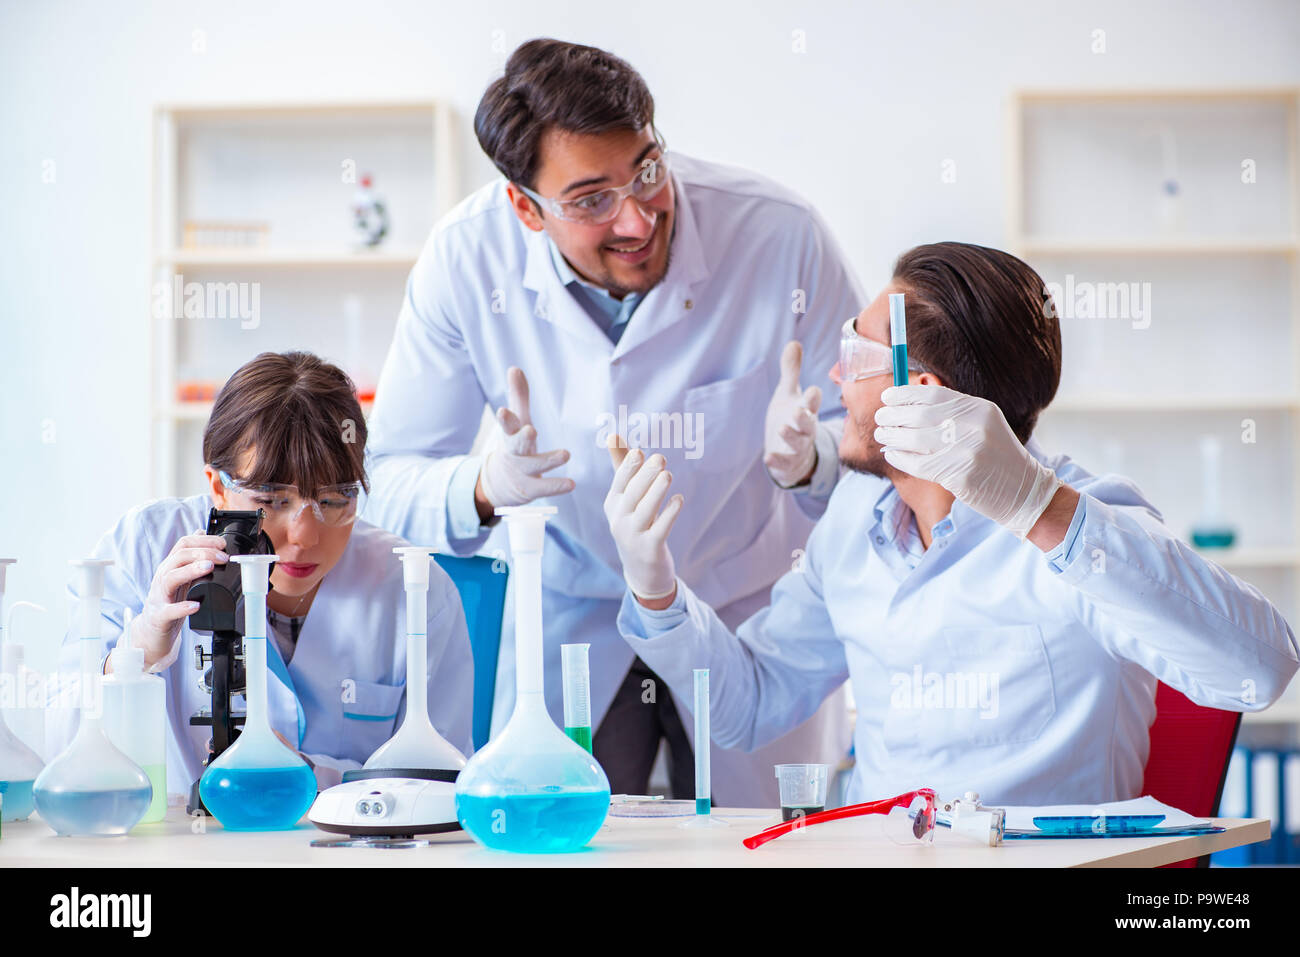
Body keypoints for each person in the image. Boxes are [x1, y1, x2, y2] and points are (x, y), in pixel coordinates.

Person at [604, 241, 1300, 806]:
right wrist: (657, 589)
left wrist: (1039, 507)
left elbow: (1259, 670)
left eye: (855, 355)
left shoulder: (1075, 524)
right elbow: (749, 703)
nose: (835, 378)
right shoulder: (853, 521)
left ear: (921, 392)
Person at [362, 38, 861, 806]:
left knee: (767, 848)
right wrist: (484, 487)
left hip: (744, 616)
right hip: (569, 618)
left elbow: (878, 472)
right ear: (524, 207)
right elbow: (387, 480)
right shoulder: (464, 262)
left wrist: (818, 461)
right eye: (591, 198)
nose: (637, 218)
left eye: (648, 171)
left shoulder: (781, 235)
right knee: (558, 841)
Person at [49, 352, 474, 797]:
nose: (305, 535)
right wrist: (140, 649)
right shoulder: (143, 547)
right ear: (217, 486)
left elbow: (441, 788)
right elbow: (56, 746)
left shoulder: (415, 589)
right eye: (271, 500)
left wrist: (308, 775)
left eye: (333, 500)